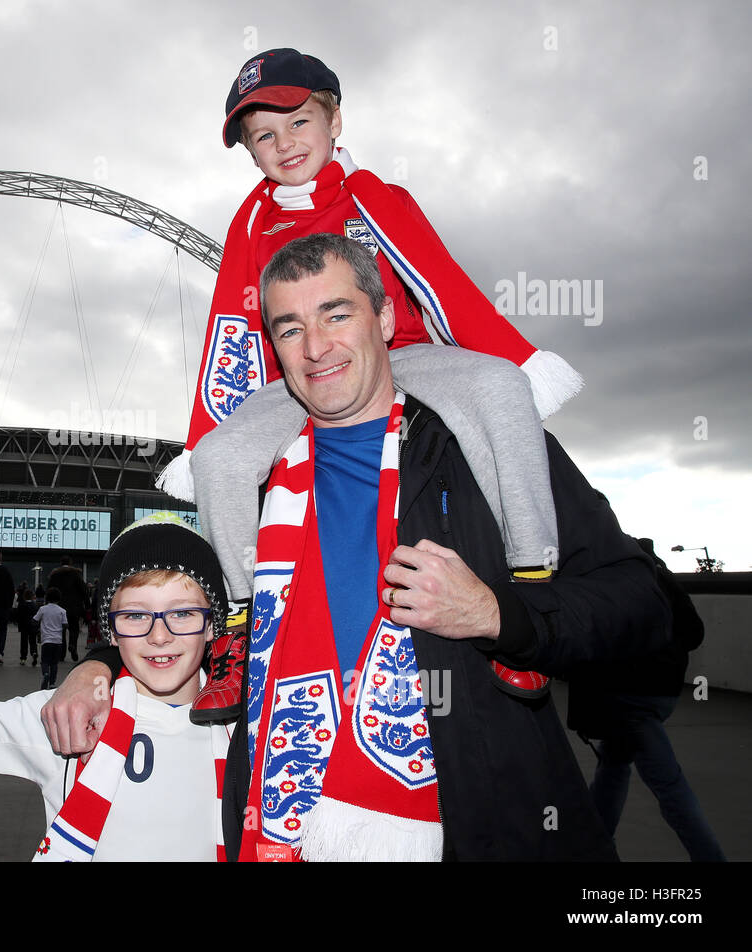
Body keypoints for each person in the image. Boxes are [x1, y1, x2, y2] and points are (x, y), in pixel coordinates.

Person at [45, 234, 668, 861]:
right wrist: (94, 667)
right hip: (278, 826)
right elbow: (176, 613)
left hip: (477, 825)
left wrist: (500, 616)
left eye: (336, 314)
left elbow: (644, 605)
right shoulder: (252, 487)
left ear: (387, 318)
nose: (316, 348)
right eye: (290, 329)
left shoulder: (484, 452)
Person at [160, 49, 583, 716]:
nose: (284, 144)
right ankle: (239, 636)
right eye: (262, 136)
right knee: (219, 458)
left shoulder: (378, 199)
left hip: (402, 354)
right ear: (248, 151)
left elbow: (443, 280)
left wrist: (517, 356)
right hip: (297, 377)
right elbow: (231, 329)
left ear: (333, 119)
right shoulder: (250, 226)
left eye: (298, 122)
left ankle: (528, 586)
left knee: (501, 388)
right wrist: (206, 430)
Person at [0, 515, 235, 861]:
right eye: (135, 615)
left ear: (214, 623)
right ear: (111, 632)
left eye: (183, 613)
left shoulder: (254, 726)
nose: (159, 635)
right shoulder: (69, 716)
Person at [568, 537, 725, 861]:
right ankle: (595, 848)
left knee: (668, 785)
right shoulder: (653, 569)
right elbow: (694, 632)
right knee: (614, 765)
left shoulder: (604, 571)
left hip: (630, 698)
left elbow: (593, 640)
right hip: (659, 691)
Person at [47, 557, 89, 661]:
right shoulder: (76, 574)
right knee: (74, 628)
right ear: (70, 563)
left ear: (61, 563)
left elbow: (49, 590)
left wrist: (47, 605)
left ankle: (61, 654)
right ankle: (73, 645)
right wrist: (87, 605)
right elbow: (84, 590)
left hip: (59, 607)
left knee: (61, 630)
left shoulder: (55, 575)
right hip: (74, 607)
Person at [33, 589, 68, 690]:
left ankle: (46, 674)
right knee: (54, 663)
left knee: (45, 661)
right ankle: (52, 683)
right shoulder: (62, 611)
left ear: (47, 597)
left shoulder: (43, 609)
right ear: (59, 598)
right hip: (57, 641)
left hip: (46, 640)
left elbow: (34, 620)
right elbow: (65, 625)